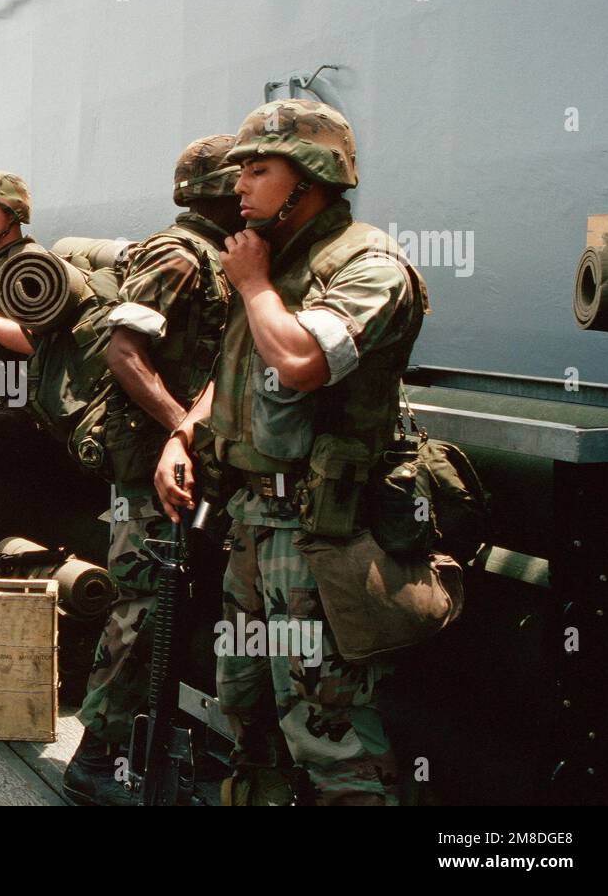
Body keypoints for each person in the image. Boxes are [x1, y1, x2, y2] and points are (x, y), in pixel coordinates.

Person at [154, 100, 429, 805]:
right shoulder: (277, 262)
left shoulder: (366, 264)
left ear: (308, 178)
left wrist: (251, 284)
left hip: (318, 538)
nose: (238, 185)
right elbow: (235, 370)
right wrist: (184, 433)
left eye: (257, 170)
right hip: (252, 525)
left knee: (325, 722)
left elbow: (302, 360)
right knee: (245, 709)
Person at [61, 135, 244, 806]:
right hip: (153, 469)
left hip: (193, 467)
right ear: (220, 191)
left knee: (175, 607)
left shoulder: (222, 258)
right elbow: (124, 351)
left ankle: (160, 748)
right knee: (141, 609)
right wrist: (179, 429)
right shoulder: (178, 254)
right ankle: (94, 759)